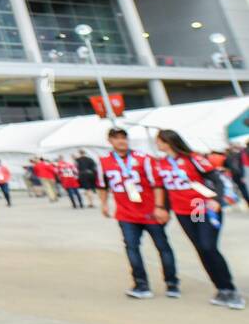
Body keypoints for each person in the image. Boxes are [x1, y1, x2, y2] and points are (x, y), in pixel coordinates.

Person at [153, 129, 245, 309]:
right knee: (201, 249)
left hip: (201, 207)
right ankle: (220, 289)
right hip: (182, 212)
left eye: (159, 141)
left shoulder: (193, 158)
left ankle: (230, 289)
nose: (157, 144)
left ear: (168, 142)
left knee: (208, 246)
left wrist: (217, 200)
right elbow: (163, 189)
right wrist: (163, 209)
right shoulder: (160, 164)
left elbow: (216, 178)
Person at [98, 127, 177, 300]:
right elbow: (103, 185)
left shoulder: (143, 159)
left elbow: (157, 184)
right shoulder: (104, 162)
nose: (121, 141)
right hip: (126, 214)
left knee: (162, 246)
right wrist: (104, 204)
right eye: (116, 138)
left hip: (149, 211)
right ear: (110, 141)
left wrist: (159, 206)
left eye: (123, 137)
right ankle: (141, 284)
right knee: (132, 248)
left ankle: (172, 282)